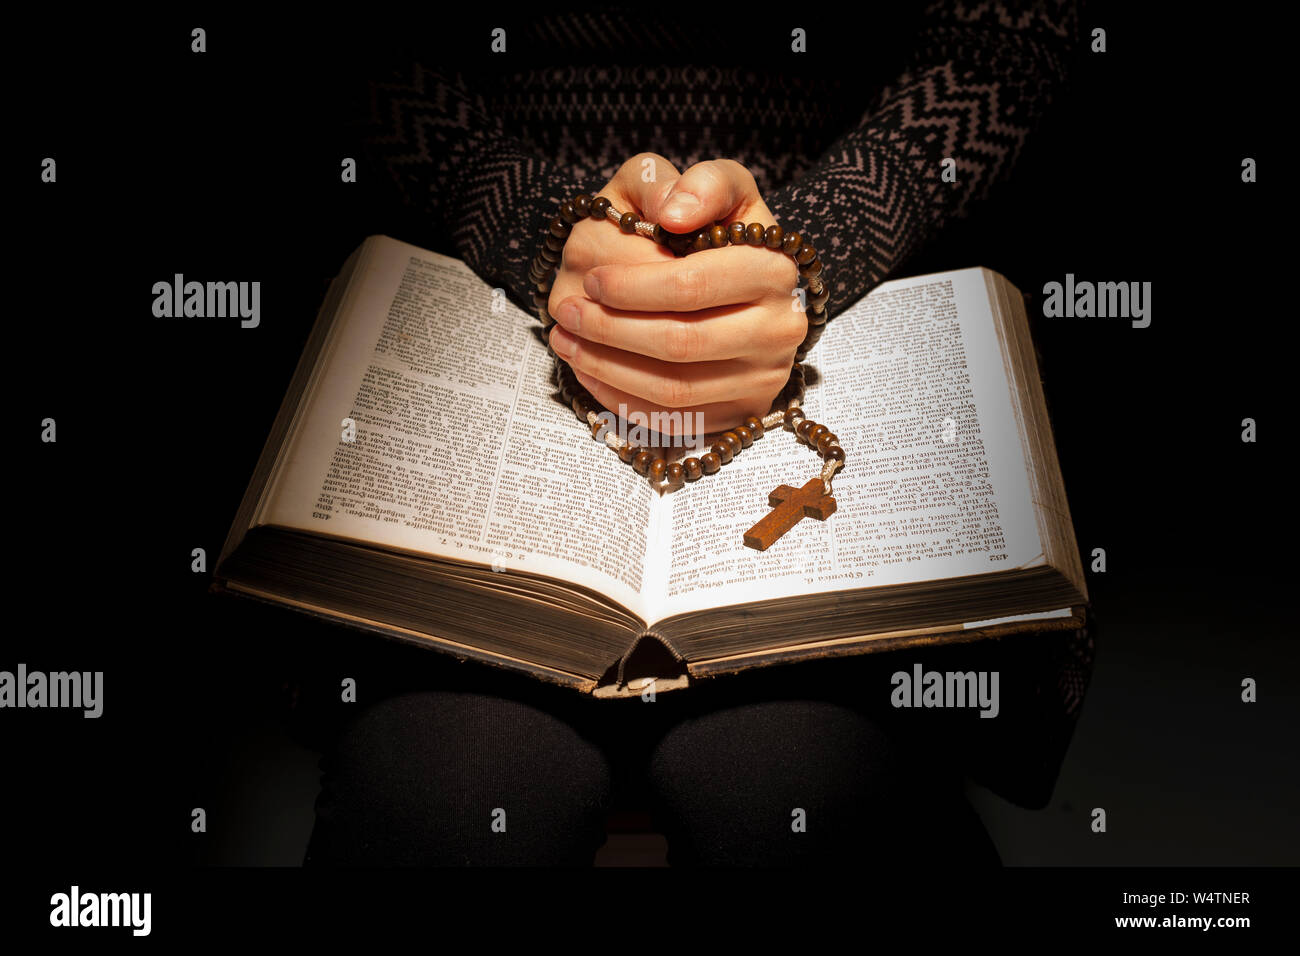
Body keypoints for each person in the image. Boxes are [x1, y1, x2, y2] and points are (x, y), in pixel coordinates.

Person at [303, 1, 1094, 866]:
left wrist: (808, 243)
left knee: (802, 789)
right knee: (453, 799)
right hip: (473, 295)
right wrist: (535, 223)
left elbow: (1011, 37)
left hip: (872, 288)